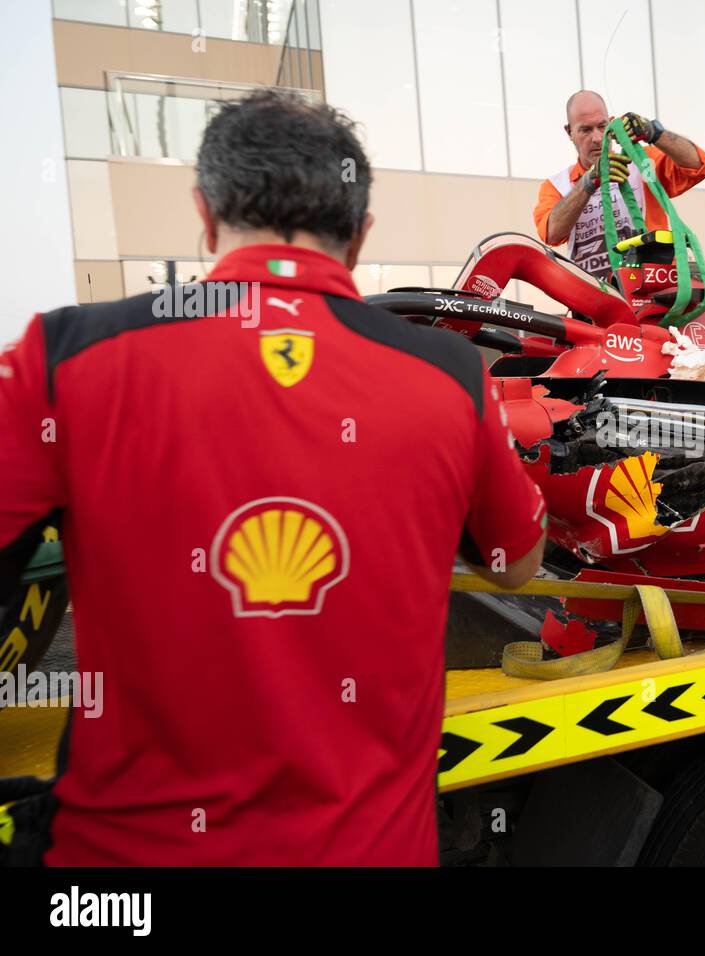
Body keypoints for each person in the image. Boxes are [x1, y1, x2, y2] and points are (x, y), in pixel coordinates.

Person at [0, 89, 545, 866]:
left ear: (204, 210)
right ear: (359, 237)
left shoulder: (65, 356)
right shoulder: (449, 373)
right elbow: (518, 564)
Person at [533, 90, 705, 280]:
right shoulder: (557, 185)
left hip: (653, 292)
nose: (597, 138)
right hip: (591, 298)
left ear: (611, 122)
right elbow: (551, 234)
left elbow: (698, 165)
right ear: (569, 132)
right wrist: (590, 181)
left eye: (602, 127)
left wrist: (654, 131)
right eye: (585, 130)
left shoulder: (643, 162)